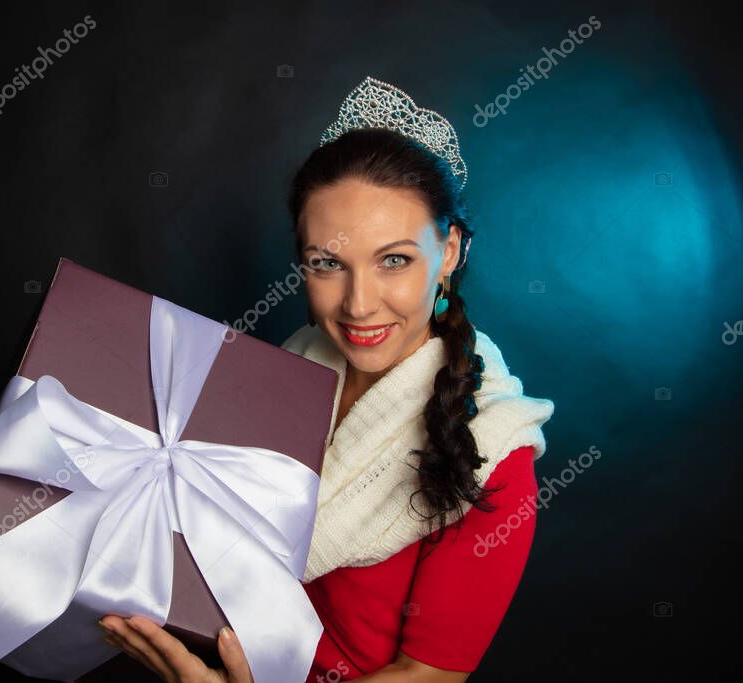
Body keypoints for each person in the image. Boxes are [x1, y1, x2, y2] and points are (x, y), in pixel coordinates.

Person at [97, 76, 555, 683]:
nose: (359, 305)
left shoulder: (493, 449)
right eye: (328, 264)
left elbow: (431, 676)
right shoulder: (294, 361)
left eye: (394, 260)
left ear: (448, 253)